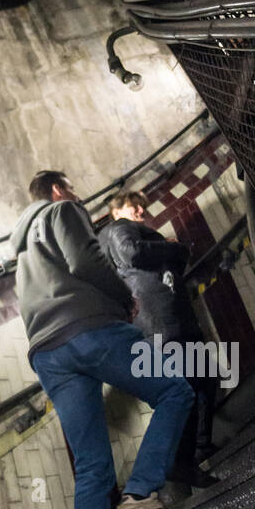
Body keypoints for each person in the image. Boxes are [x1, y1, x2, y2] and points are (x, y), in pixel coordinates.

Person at [10, 170, 196, 509]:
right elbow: (85, 261)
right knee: (175, 391)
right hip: (90, 329)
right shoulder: (61, 210)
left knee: (91, 467)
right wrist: (125, 299)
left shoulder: (19, 251)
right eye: (71, 188)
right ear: (57, 189)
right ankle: (141, 496)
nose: (76, 195)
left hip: (48, 354)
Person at [100, 191, 218, 484]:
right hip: (162, 324)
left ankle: (198, 449)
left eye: (143, 206)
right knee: (186, 388)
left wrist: (174, 252)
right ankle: (180, 463)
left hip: (173, 320)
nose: (141, 210)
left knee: (205, 380)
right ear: (117, 211)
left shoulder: (144, 238)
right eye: (134, 206)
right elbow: (131, 252)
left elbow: (172, 264)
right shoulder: (119, 228)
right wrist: (171, 248)